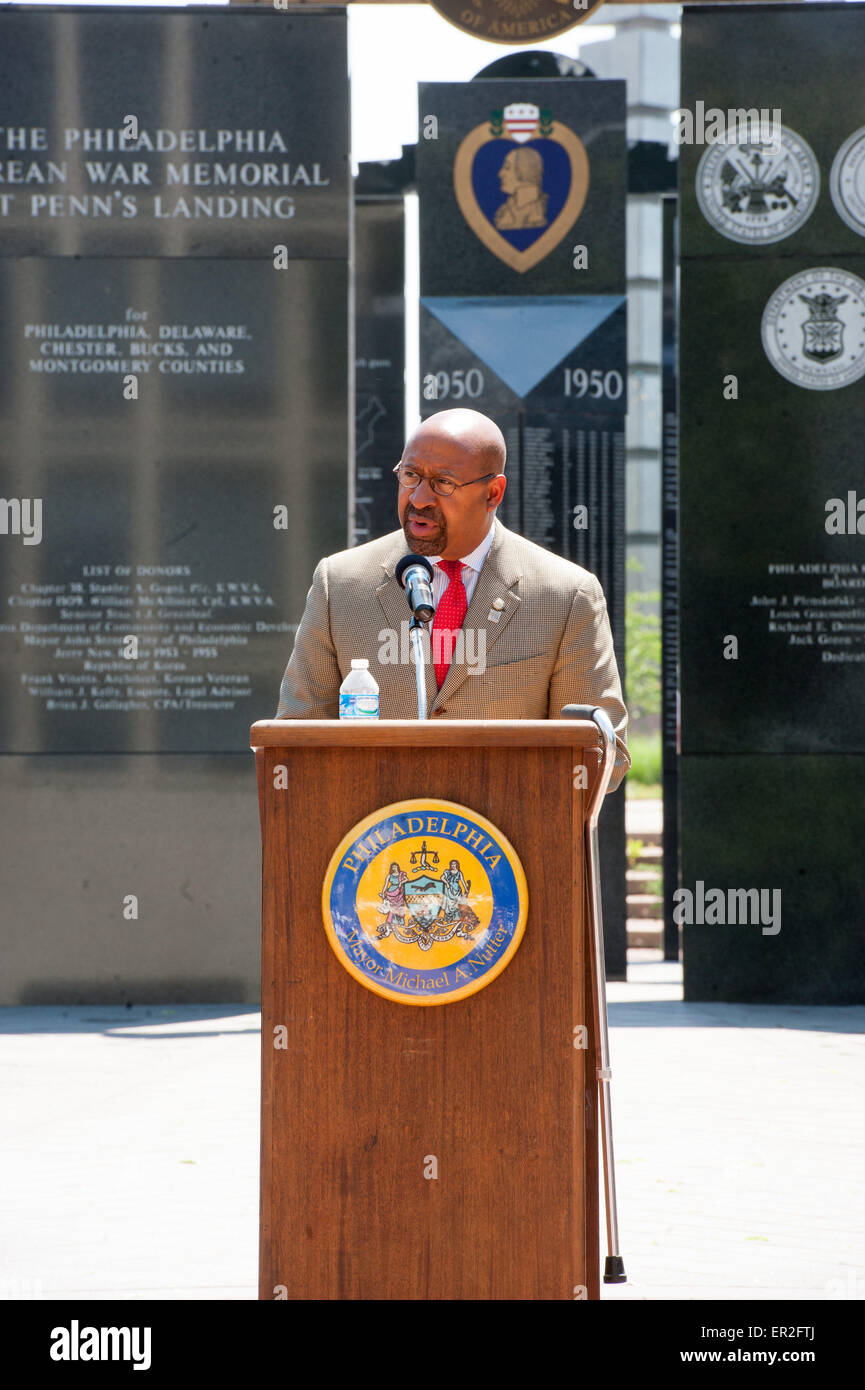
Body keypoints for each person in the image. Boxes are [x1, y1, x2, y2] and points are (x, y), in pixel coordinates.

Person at [275, 407, 629, 792]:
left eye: (442, 482)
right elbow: (295, 735)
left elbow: (602, 756)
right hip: (374, 842)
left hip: (506, 844)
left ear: (492, 493)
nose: (420, 498)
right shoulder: (340, 584)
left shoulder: (566, 596)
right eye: (410, 476)